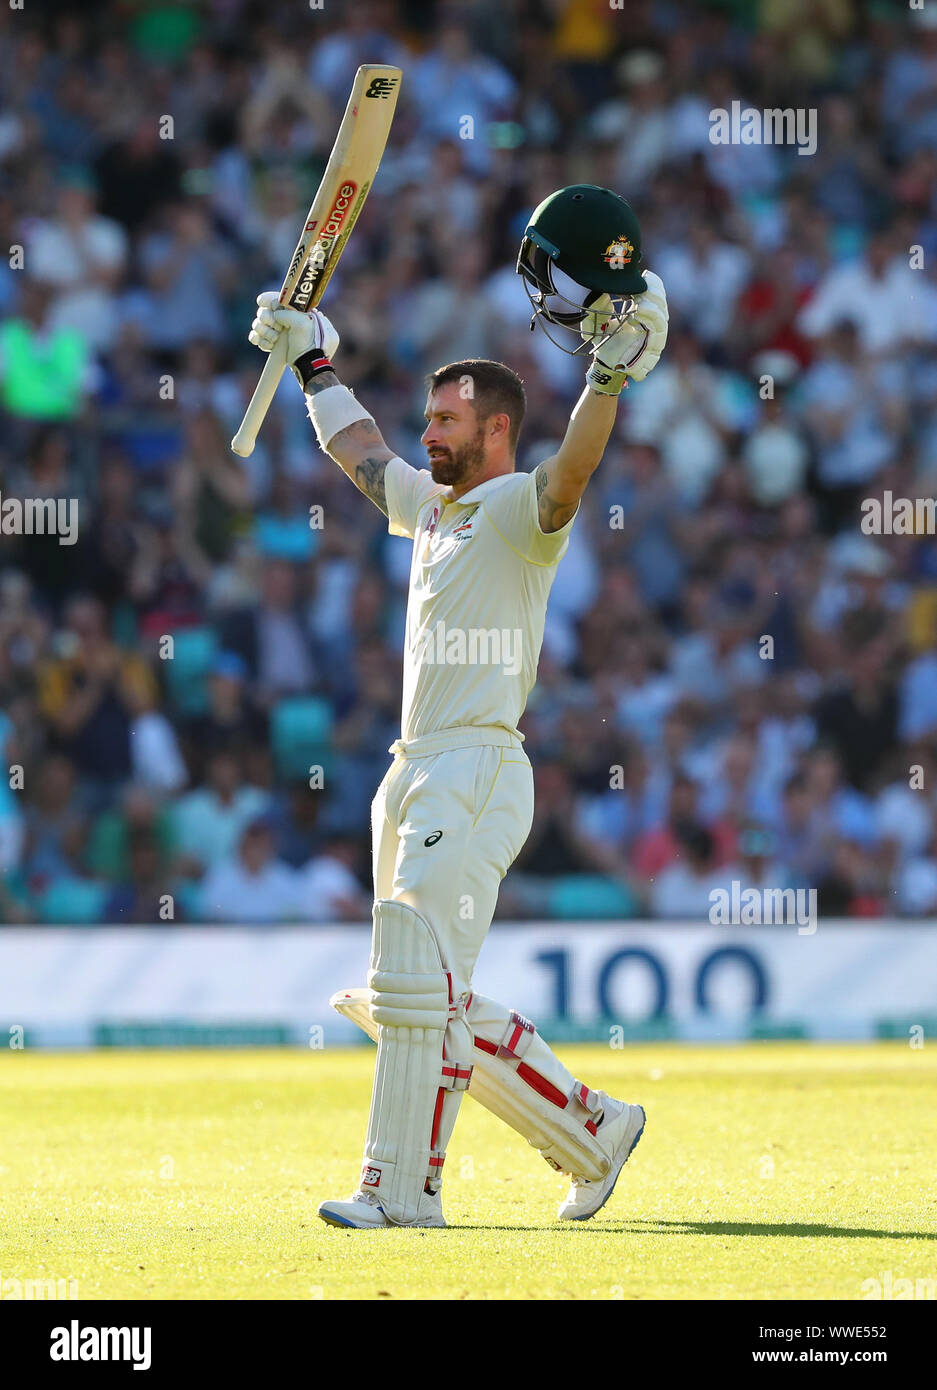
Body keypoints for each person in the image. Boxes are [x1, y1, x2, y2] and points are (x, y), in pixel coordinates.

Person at [247, 185, 669, 1230]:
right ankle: (594, 1129)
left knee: (406, 960)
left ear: (493, 429)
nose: (424, 433)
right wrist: (309, 358)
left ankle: (401, 1192)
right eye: (427, 419)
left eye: (443, 421)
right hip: (412, 764)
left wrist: (607, 375)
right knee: (426, 998)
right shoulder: (430, 506)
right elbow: (357, 454)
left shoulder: (525, 510)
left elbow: (575, 468)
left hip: (479, 765)